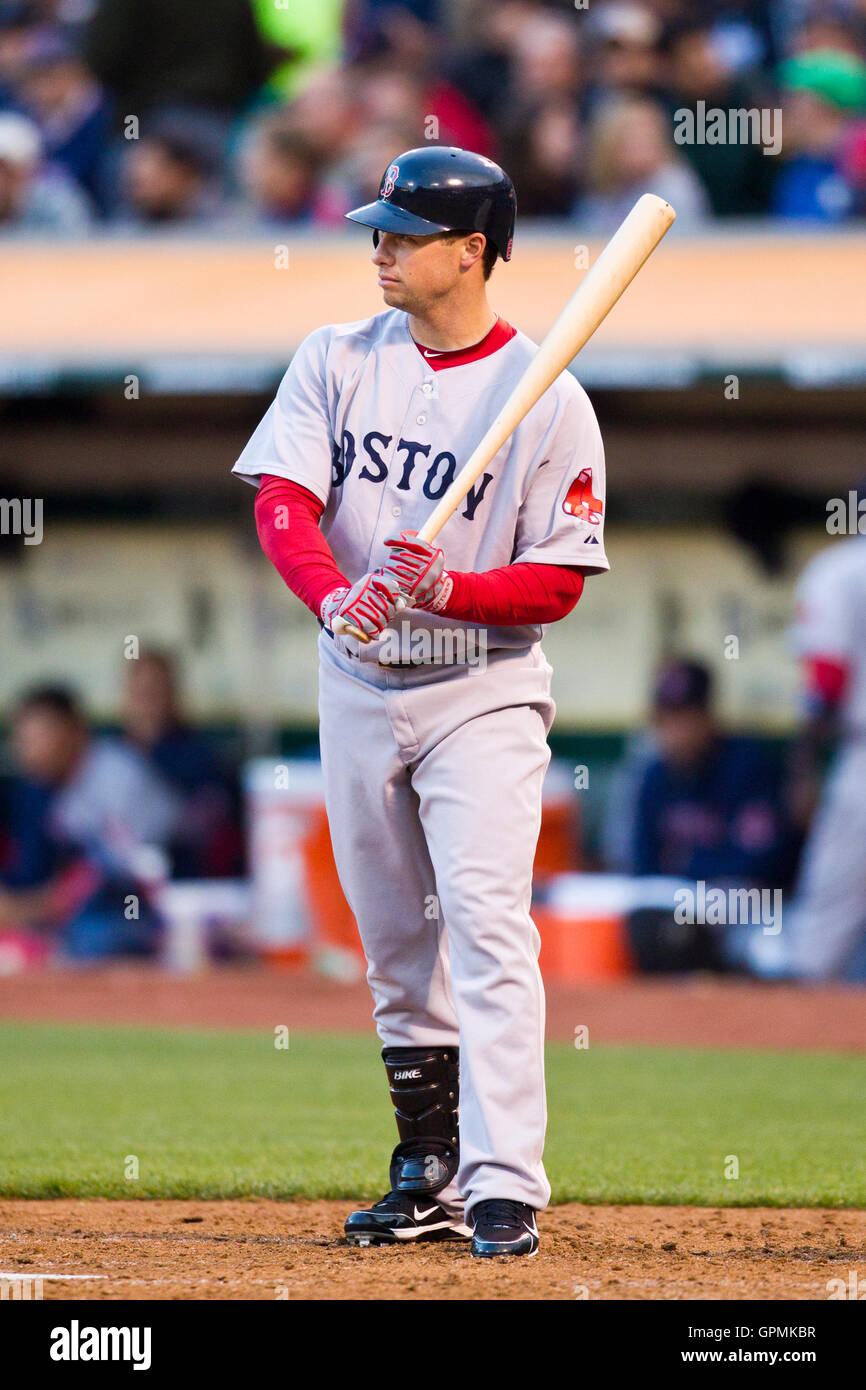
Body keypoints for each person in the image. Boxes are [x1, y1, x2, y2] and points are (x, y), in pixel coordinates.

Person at [233, 145, 610, 1258]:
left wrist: (449, 584)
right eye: (378, 229)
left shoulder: (549, 395)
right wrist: (333, 594)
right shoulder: (337, 355)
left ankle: (505, 1183)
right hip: (355, 677)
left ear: (472, 251)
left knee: (487, 928)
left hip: (480, 688)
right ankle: (428, 1168)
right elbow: (286, 505)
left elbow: (558, 579)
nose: (379, 248)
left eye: (403, 233)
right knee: (395, 942)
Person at [0, 685, 180, 960]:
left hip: (160, 907)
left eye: (38, 738)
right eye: (23, 741)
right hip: (102, 911)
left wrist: (32, 908)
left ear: (73, 731)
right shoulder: (52, 790)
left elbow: (136, 873)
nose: (28, 751)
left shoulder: (115, 774)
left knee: (92, 936)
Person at [787, 503, 866, 980]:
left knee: (826, 919)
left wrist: (805, 768)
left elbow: (826, 682)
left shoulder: (841, 569)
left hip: (861, 759)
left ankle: (801, 1032)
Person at [120, 650, 243, 879]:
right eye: (139, 692)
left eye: (155, 691)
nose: (146, 702)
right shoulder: (110, 755)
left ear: (173, 694)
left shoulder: (203, 759)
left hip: (188, 890)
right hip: (118, 890)